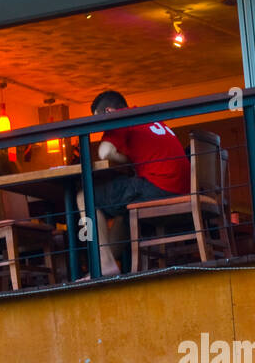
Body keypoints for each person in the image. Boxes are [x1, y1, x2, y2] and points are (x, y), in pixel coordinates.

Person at [77, 90, 191, 277]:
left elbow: (104, 152)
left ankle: (105, 264)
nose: (101, 129)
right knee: (124, 212)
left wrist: (126, 159)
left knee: (85, 196)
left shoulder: (121, 117)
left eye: (99, 121)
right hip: (183, 191)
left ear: (108, 111)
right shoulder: (149, 118)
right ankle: (106, 265)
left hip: (160, 188)